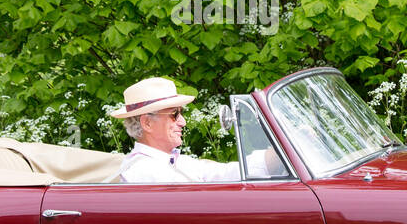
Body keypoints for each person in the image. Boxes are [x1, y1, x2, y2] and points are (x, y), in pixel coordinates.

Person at [110, 77, 281, 183]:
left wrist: (282, 151)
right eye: (174, 114)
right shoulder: (143, 171)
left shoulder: (175, 161)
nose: (183, 122)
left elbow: (224, 173)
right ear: (147, 123)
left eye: (181, 113)